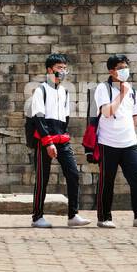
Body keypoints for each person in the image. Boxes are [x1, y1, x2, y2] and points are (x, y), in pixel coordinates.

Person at [26, 54, 91, 229]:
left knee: (73, 174)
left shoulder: (64, 91)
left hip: (62, 139)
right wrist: (48, 142)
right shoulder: (41, 90)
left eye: (64, 68)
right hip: (44, 140)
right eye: (59, 67)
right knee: (42, 178)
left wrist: (62, 137)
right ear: (49, 70)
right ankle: (37, 217)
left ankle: (73, 215)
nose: (62, 71)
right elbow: (39, 117)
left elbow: (65, 117)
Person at [94, 54, 137, 229]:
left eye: (126, 67)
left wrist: (130, 133)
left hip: (129, 143)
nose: (124, 71)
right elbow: (107, 112)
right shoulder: (103, 89)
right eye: (120, 68)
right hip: (108, 143)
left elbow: (134, 116)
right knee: (107, 181)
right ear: (111, 71)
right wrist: (122, 93)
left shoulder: (133, 90)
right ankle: (104, 217)